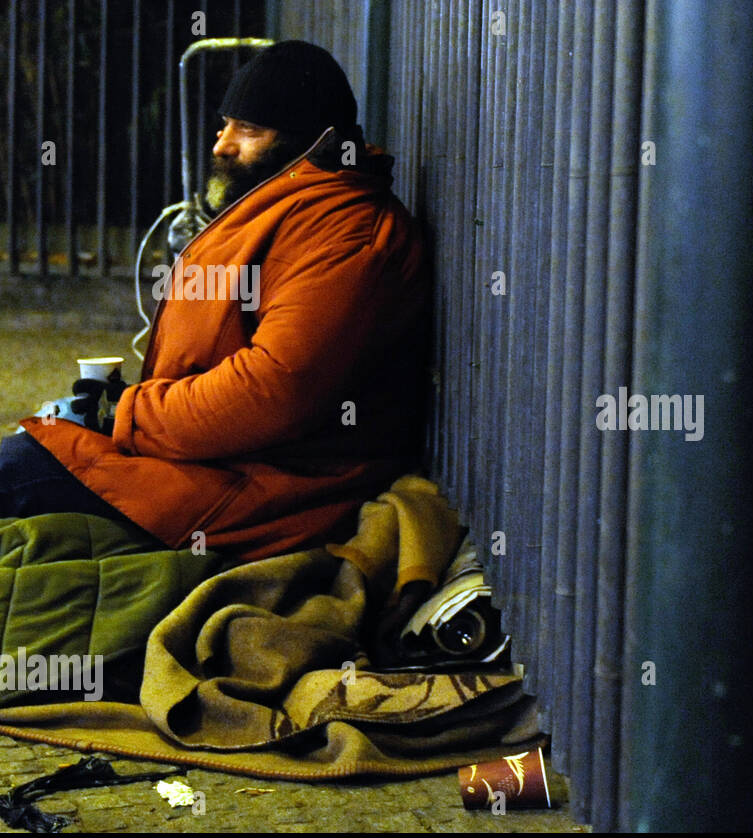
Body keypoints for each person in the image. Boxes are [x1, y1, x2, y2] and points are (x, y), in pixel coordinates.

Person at [1, 40, 431, 561]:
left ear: (310, 139)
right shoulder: (292, 203)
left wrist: (127, 414)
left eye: (249, 131)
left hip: (261, 489)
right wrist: (123, 409)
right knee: (31, 454)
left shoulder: (347, 233)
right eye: (225, 125)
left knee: (21, 473)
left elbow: (273, 391)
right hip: (214, 461)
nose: (222, 145)